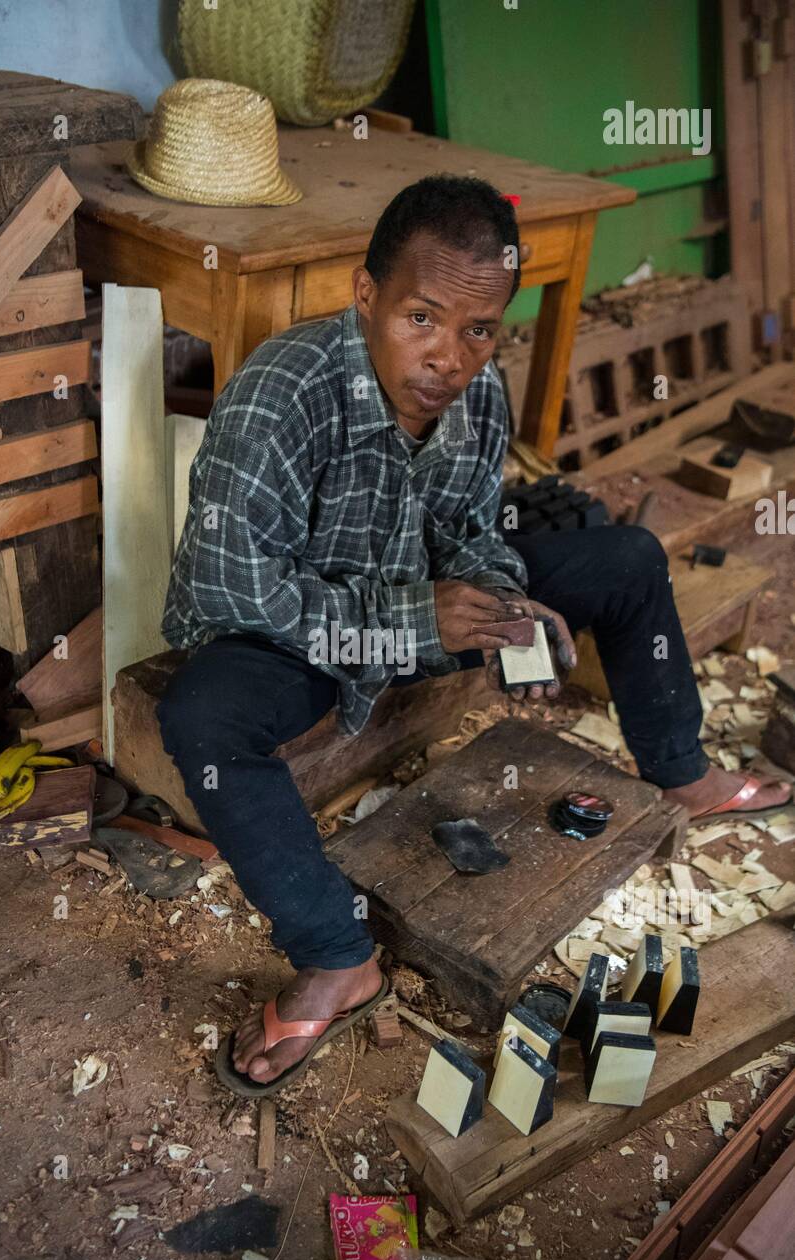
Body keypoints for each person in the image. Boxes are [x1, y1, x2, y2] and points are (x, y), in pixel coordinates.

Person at [158, 175, 791, 1094]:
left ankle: (680, 771)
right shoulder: (283, 390)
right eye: (422, 317)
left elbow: (469, 530)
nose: (449, 357)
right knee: (202, 716)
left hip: (421, 609)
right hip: (290, 637)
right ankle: (340, 955)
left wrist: (504, 613)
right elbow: (234, 584)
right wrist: (412, 621)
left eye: (478, 329)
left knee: (628, 557)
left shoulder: (477, 395)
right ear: (366, 295)